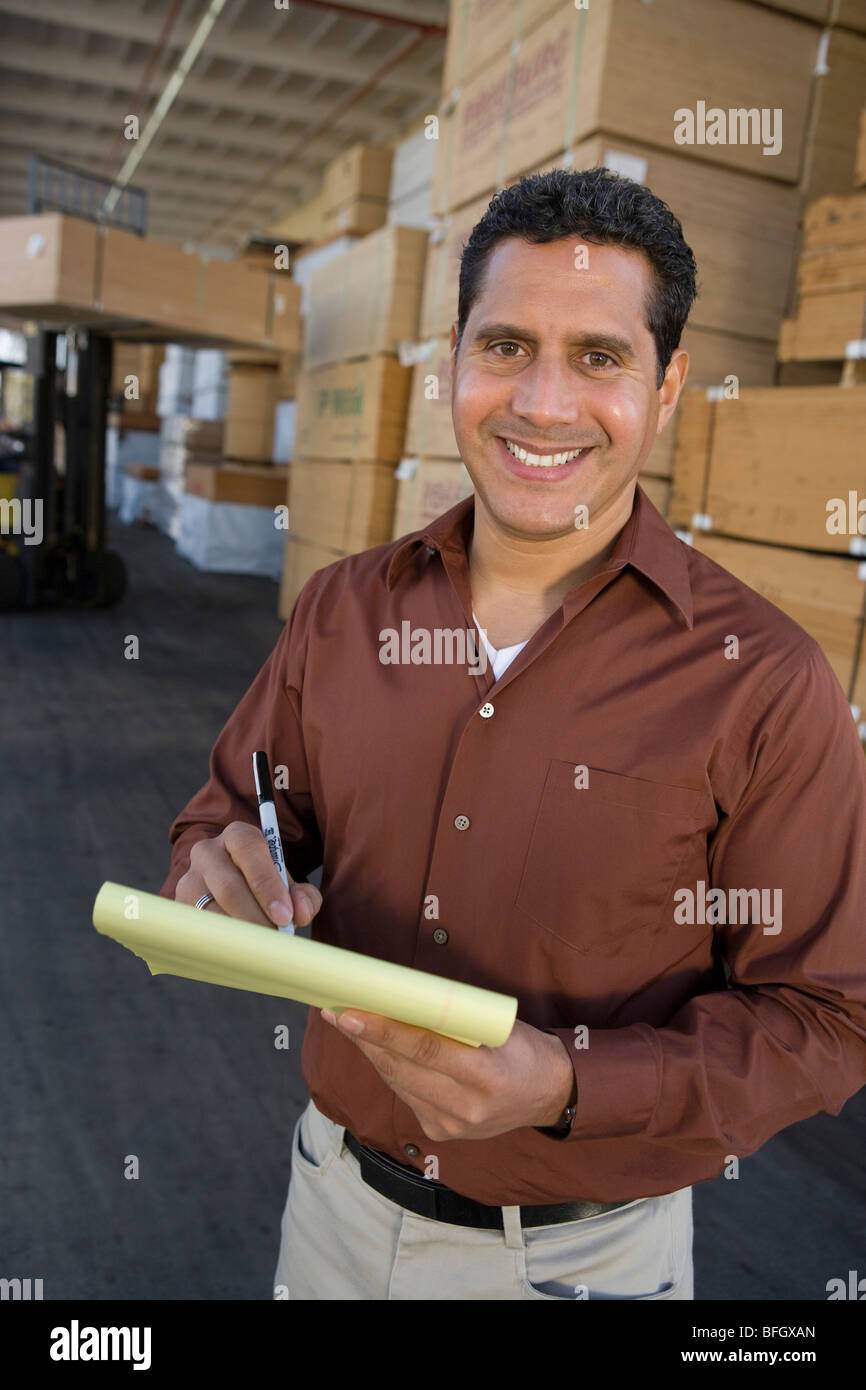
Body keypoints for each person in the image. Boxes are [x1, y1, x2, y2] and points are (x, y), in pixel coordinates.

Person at [160, 167, 866, 1301]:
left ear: (668, 383)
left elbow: (825, 1018)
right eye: (504, 346)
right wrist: (220, 865)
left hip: (578, 1262)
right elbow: (229, 808)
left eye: (597, 357)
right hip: (331, 1202)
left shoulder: (765, 684)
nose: (541, 402)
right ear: (452, 357)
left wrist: (566, 1083)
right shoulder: (344, 610)